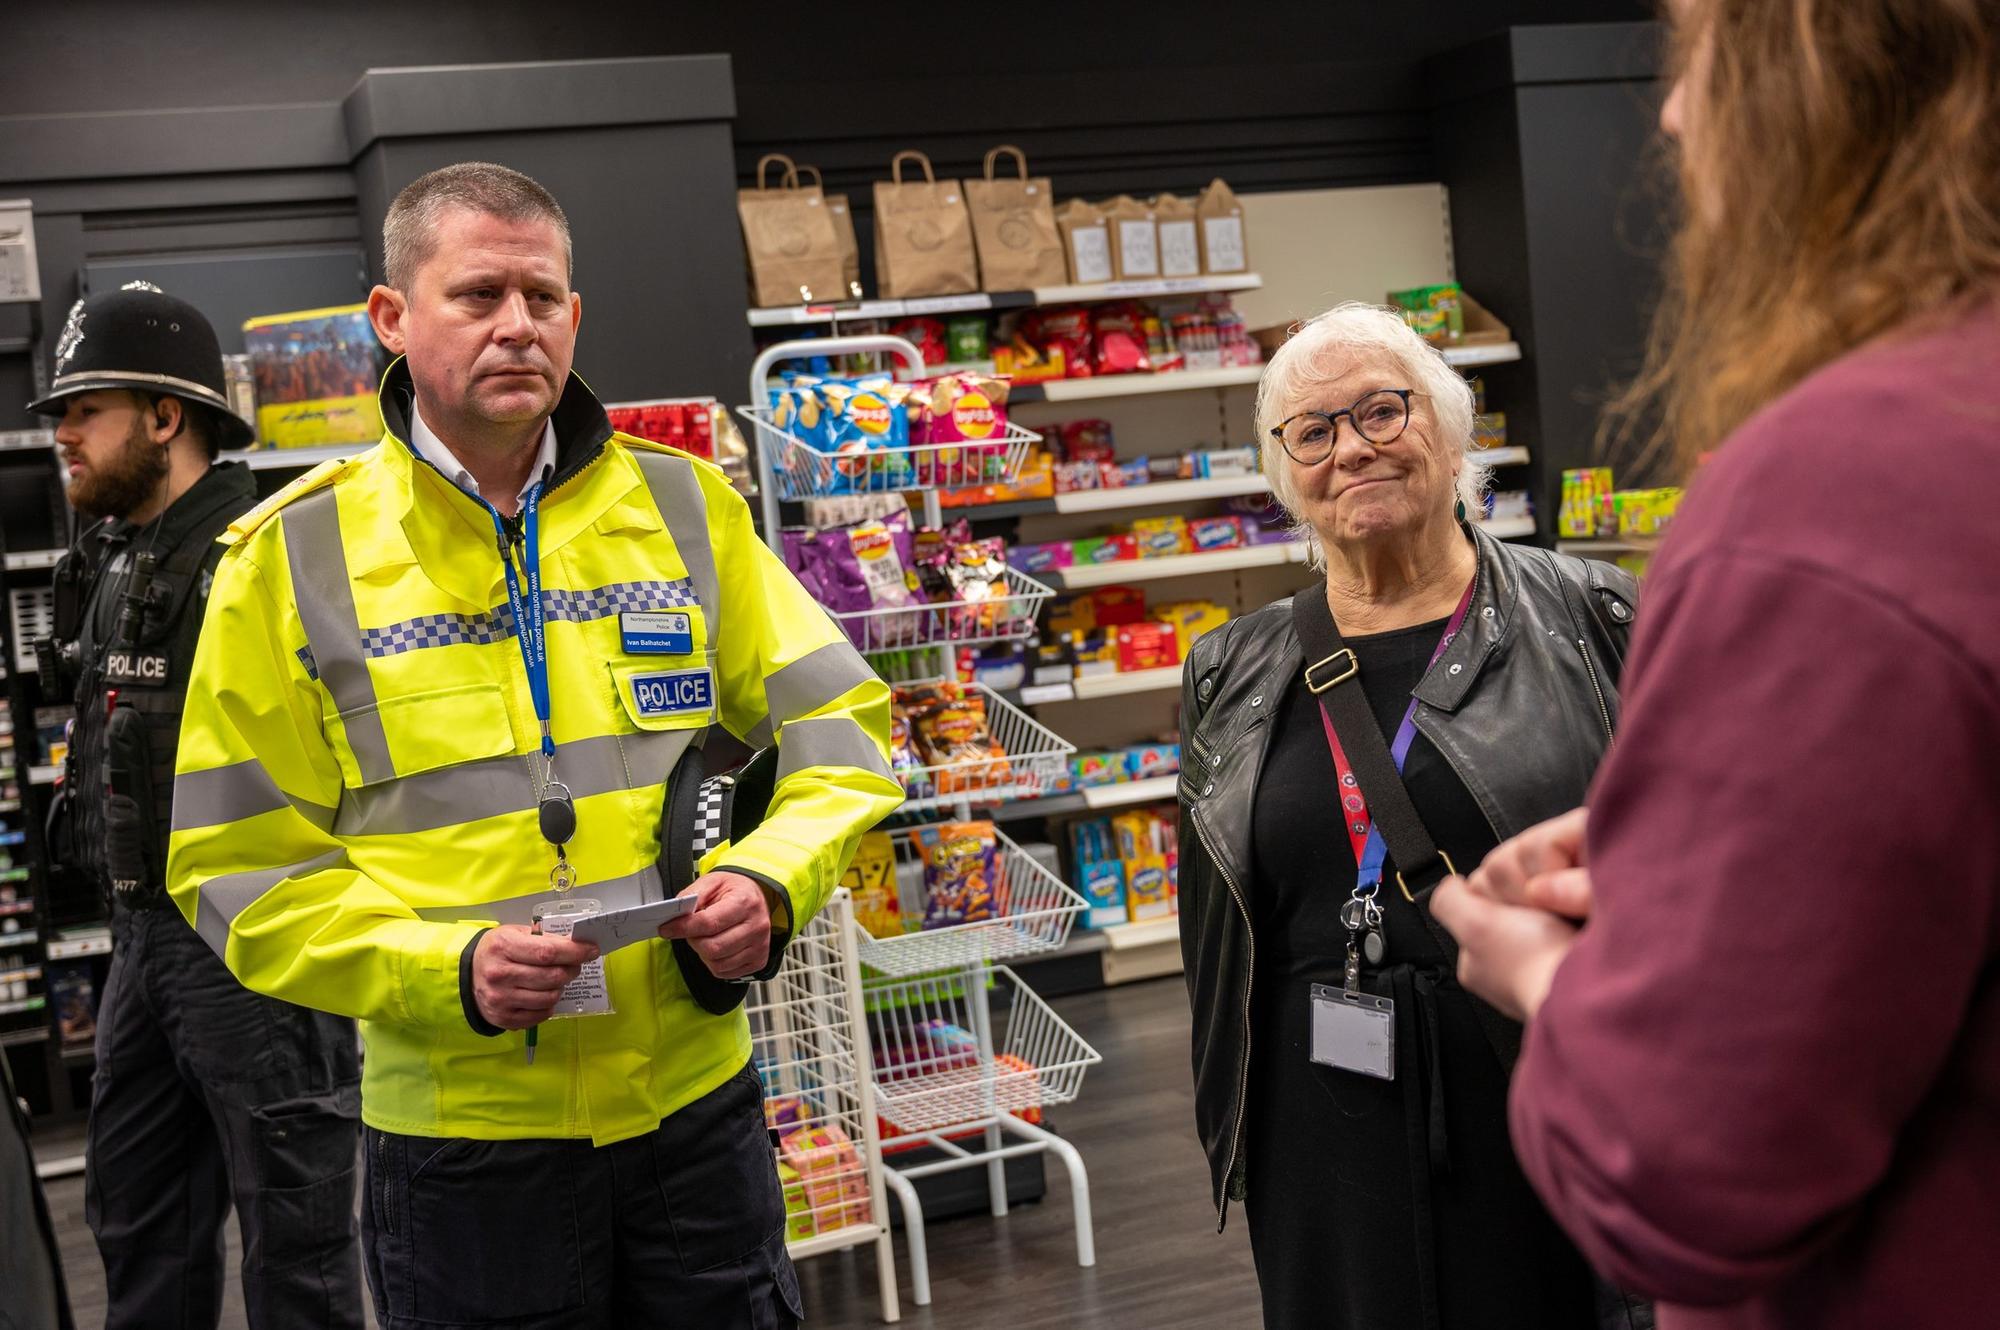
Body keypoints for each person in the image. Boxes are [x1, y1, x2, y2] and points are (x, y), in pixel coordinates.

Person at [166, 161, 901, 1329]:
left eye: (543, 296)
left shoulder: (685, 508)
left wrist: (772, 876)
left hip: (694, 1123)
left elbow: (846, 728)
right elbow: (234, 864)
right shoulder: (288, 560)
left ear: (575, 315)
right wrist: (442, 973)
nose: (518, 324)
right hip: (464, 1150)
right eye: (476, 295)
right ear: (392, 321)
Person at [1430, 2, 2000, 1328]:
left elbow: (1688, 1164)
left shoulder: (1844, 487)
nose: (1675, 115)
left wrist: (1540, 972)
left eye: (1699, 61)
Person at [1176, 301, 1645, 1330]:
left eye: (1381, 412)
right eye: (1313, 429)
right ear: (1285, 468)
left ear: (1447, 427)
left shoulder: (1589, 616)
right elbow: (1216, 934)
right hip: (1319, 1103)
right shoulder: (1228, 667)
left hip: (1531, 1074)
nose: (1350, 449)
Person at [26, 283, 364, 1330]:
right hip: (142, 942)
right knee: (137, 1226)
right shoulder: (115, 555)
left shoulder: (265, 553)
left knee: (298, 1254)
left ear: (166, 417)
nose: (64, 436)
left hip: (256, 944)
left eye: (86, 409)